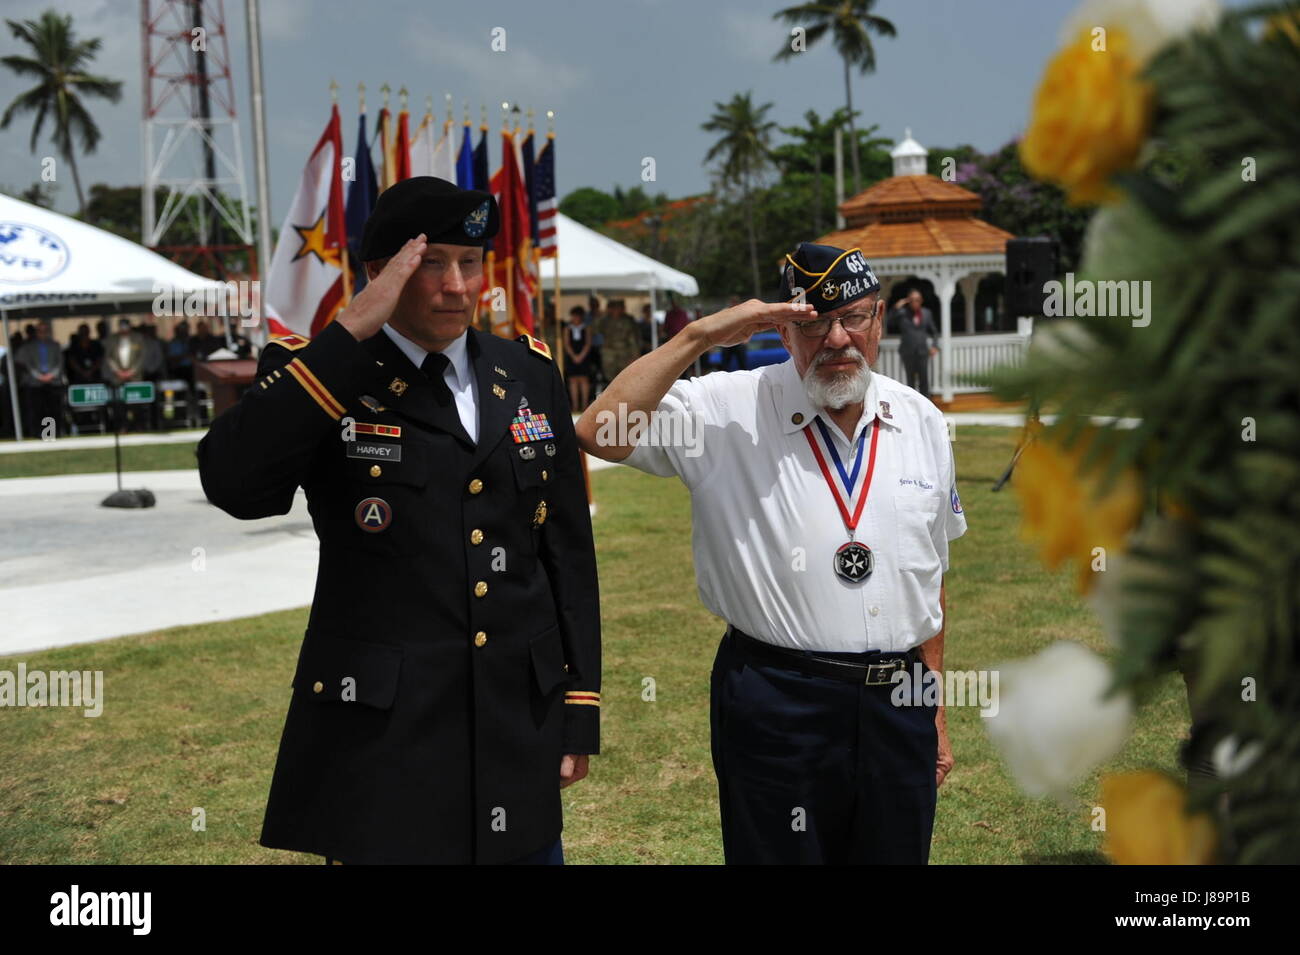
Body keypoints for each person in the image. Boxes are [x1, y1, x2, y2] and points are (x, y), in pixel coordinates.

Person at [197, 176, 601, 865]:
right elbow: (234, 482)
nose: (457, 285)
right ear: (379, 273)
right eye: (431, 263)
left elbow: (564, 547)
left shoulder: (527, 373)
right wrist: (351, 330)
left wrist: (580, 702)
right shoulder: (322, 372)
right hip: (385, 741)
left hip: (515, 724)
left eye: (470, 262)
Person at [578, 242, 967, 865]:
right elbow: (598, 431)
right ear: (781, 329)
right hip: (778, 700)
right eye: (812, 324)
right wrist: (701, 336)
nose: (837, 339)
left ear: (880, 320)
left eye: (854, 318)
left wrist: (937, 708)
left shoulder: (920, 420)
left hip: (901, 700)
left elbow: (932, 578)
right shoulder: (722, 409)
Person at [16, 320, 66, 437]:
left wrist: (51, 375)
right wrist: (39, 376)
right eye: (40, 331)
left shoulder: (55, 345)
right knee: (37, 409)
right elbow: (27, 364)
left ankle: (53, 432)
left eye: (44, 331)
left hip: (53, 382)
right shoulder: (28, 347)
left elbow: (59, 362)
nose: (42, 333)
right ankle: (39, 433)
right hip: (35, 383)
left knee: (53, 409)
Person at [890, 289, 939, 398]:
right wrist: (896, 308)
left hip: (923, 352)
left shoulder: (926, 313)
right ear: (908, 301)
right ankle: (911, 408)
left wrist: (935, 346)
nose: (914, 302)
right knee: (910, 382)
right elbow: (890, 322)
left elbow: (934, 332)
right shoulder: (902, 313)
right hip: (907, 352)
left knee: (924, 380)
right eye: (912, 300)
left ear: (921, 301)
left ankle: (926, 406)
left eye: (917, 300)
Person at [596, 298, 640, 384]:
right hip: (609, 353)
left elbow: (633, 339)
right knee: (609, 378)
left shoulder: (628, 320)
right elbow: (594, 330)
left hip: (624, 353)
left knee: (624, 377)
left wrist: (635, 355)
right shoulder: (604, 320)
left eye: (619, 308)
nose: (617, 310)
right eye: (614, 308)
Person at [562, 305, 593, 412]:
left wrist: (581, 356)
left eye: (577, 316)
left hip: (584, 356)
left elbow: (588, 343)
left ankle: (584, 405)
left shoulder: (586, 328)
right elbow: (566, 344)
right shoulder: (567, 329)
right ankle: (575, 405)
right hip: (572, 357)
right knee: (573, 381)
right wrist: (573, 356)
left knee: (584, 380)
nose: (575, 318)